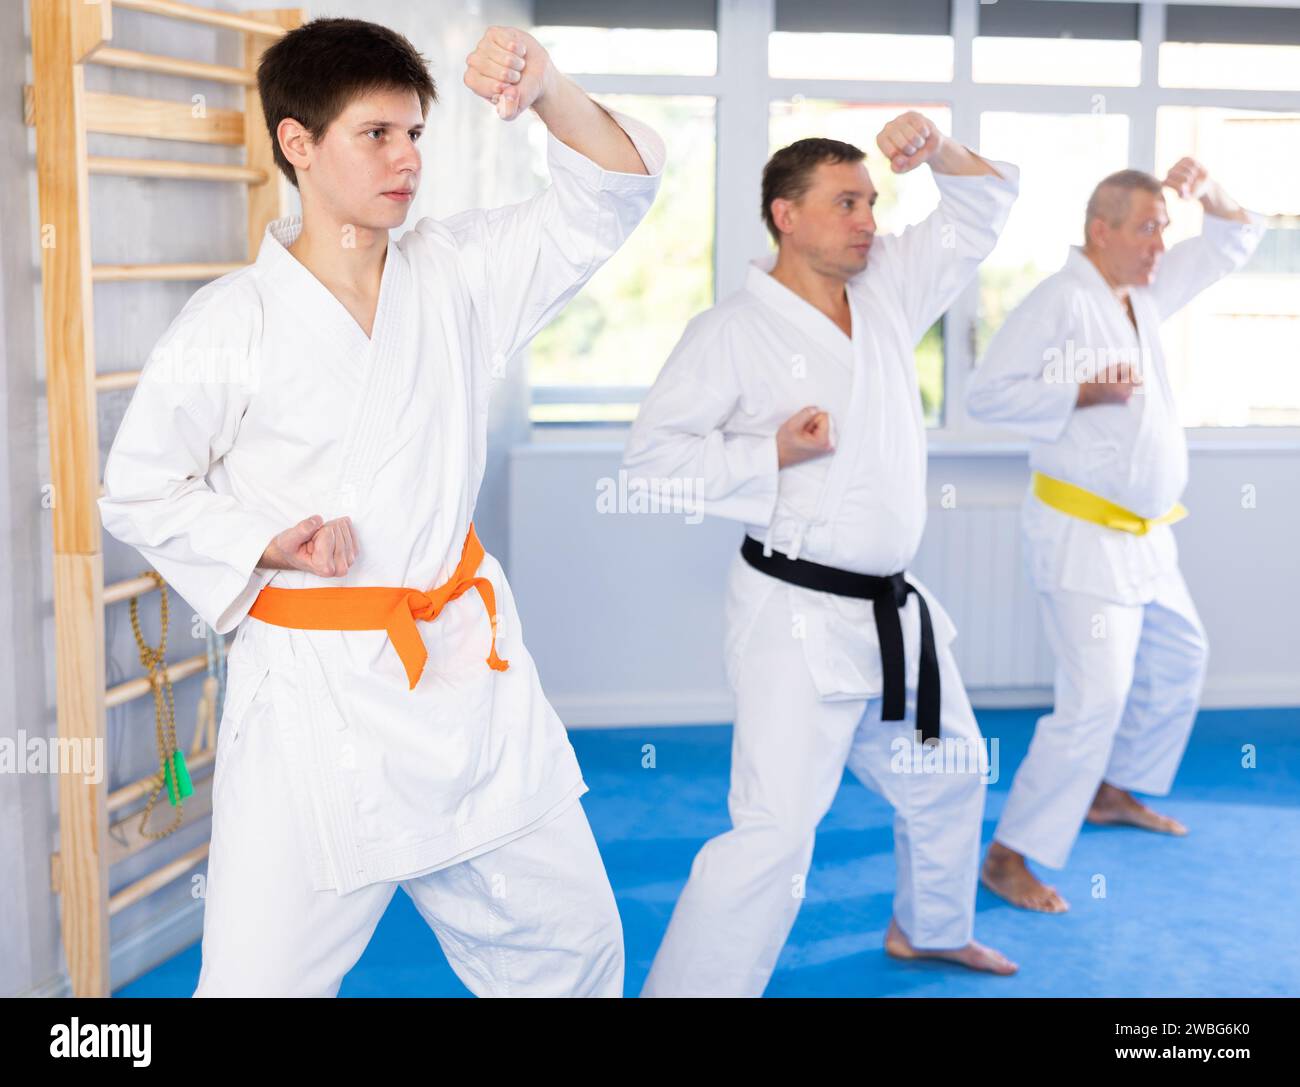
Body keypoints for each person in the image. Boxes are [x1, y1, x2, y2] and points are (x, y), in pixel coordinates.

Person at [97, 17, 664, 997]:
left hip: (466, 678)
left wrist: (550, 86)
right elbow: (139, 488)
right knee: (254, 985)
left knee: (572, 951)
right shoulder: (233, 320)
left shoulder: (458, 273)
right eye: (377, 135)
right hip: (314, 705)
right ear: (297, 143)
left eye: (416, 135)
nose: (407, 160)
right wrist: (262, 541)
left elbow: (612, 195)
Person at [622, 114, 1021, 997]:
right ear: (785, 215)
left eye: (872, 201)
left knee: (952, 770)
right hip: (793, 616)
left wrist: (940, 150)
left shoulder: (888, 290)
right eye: (846, 203)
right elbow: (649, 464)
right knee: (773, 831)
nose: (869, 220)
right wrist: (771, 452)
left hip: (894, 611)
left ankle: (931, 929)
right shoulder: (729, 331)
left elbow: (986, 204)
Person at [965, 161, 1266, 912]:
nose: (1162, 240)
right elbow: (985, 393)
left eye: (1165, 225)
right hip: (1081, 536)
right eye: (1147, 226)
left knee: (1180, 656)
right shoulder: (1060, 301)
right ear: (1101, 231)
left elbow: (1235, 238)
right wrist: (1082, 389)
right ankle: (1010, 854)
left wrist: (1208, 192)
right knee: (1095, 697)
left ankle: (1106, 787)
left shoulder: (1142, 289)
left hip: (1145, 537)